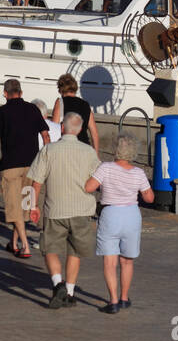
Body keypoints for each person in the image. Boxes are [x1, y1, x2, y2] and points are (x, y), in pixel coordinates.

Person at [27, 112, 100, 309]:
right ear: (80, 130)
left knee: (49, 249)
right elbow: (98, 180)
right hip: (81, 209)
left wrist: (32, 206)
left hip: (55, 209)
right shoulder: (89, 152)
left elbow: (36, 182)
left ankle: (57, 282)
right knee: (74, 251)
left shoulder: (49, 150)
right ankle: (69, 292)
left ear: (62, 127)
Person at [85, 136, 154, 314]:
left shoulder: (106, 168)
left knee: (110, 261)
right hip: (131, 214)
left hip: (111, 213)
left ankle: (113, 300)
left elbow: (89, 187)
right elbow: (149, 198)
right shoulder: (138, 173)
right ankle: (124, 297)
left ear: (115, 150)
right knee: (127, 260)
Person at [0, 79, 53, 259]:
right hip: (31, 166)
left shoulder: (2, 112)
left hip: (10, 166)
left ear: (5, 94)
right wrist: (44, 157)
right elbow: (46, 136)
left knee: (14, 207)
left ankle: (25, 246)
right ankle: (13, 243)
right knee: (24, 206)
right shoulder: (33, 109)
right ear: (21, 93)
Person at [51, 73, 98, 152]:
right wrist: (96, 155)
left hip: (66, 148)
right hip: (84, 147)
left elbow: (54, 129)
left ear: (60, 89)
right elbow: (94, 133)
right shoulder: (85, 104)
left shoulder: (60, 102)